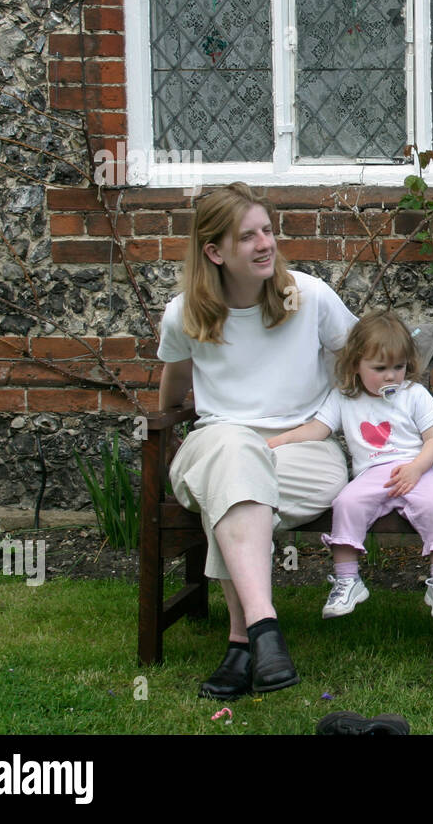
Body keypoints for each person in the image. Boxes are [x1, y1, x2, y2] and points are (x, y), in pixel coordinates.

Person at [157, 183, 357, 699]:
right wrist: (164, 433)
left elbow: (360, 370)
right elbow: (175, 385)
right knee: (231, 457)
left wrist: (323, 428)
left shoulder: (309, 297)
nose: (265, 243)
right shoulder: (185, 312)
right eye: (248, 237)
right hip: (218, 441)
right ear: (214, 251)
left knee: (232, 496)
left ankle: (245, 641)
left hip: (302, 451)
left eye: (267, 230)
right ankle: (261, 629)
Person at [268, 311, 433, 621]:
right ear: (356, 365)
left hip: (417, 468)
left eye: (398, 367)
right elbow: (317, 429)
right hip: (373, 474)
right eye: (380, 368)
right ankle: (347, 579)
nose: (391, 376)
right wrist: (279, 441)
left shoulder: (414, 394)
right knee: (346, 502)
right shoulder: (345, 398)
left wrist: (416, 468)